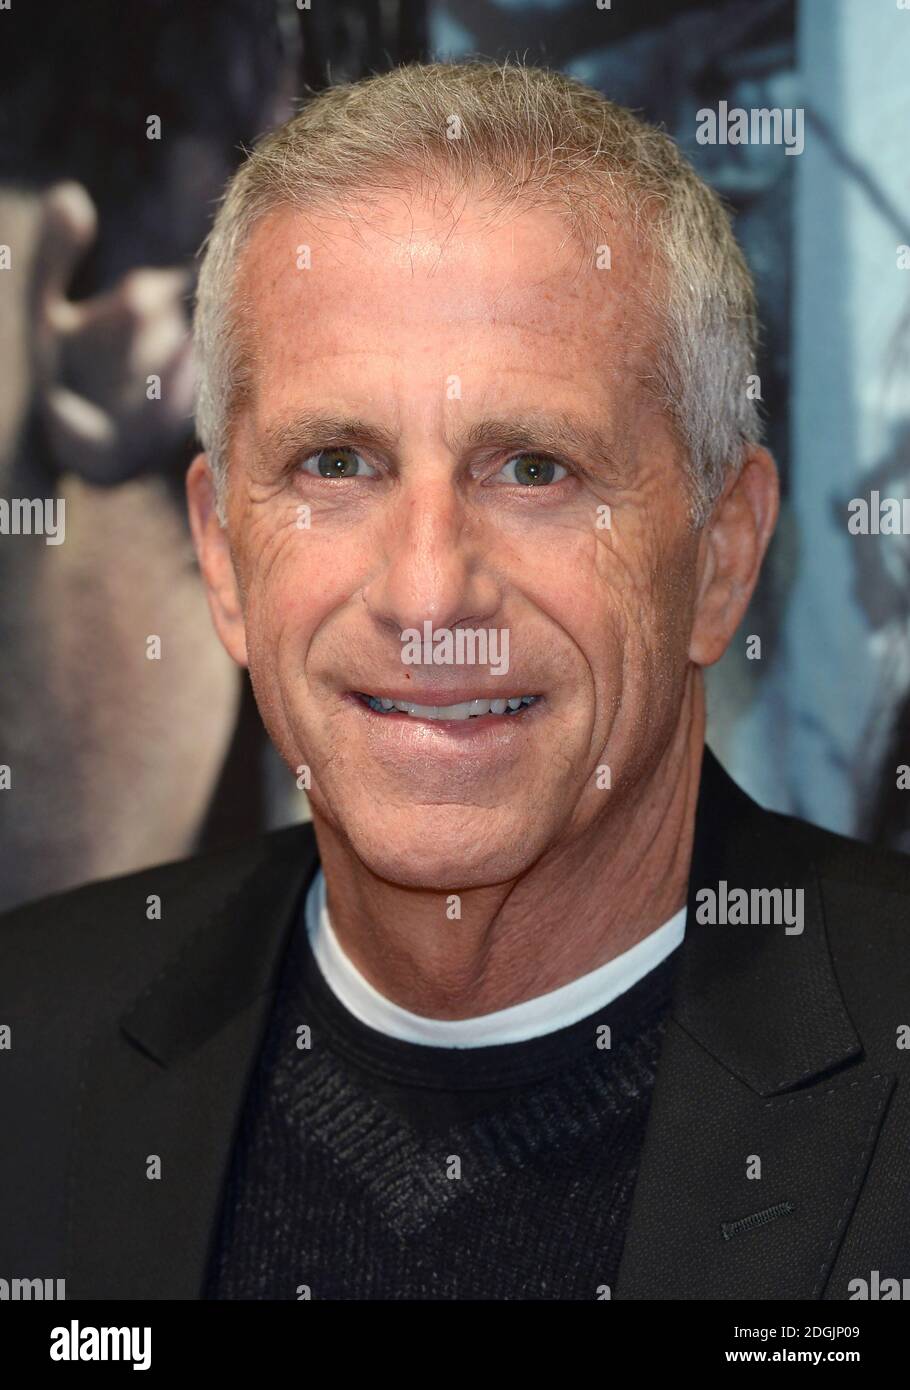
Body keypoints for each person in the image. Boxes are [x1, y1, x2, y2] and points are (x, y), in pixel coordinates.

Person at [2, 60, 909, 1302]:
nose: (428, 596)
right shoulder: (31, 1046)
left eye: (533, 468)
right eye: (336, 462)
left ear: (719, 554)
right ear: (224, 555)